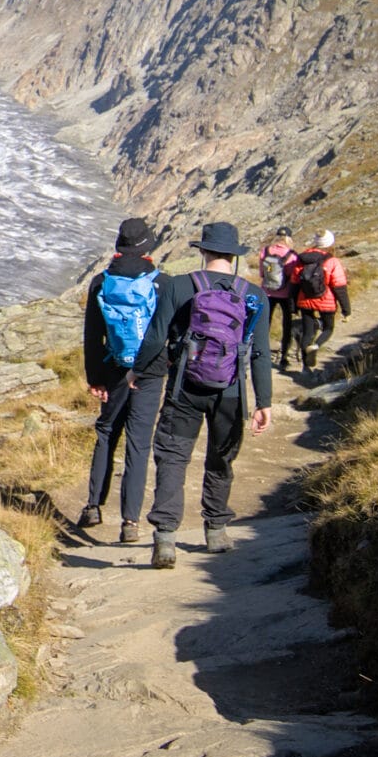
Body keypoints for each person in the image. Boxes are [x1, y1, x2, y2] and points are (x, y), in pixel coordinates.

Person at [143, 221, 275, 569]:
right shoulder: (254, 295)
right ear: (234, 256)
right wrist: (263, 402)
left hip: (184, 387)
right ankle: (216, 531)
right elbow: (260, 352)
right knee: (221, 458)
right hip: (230, 390)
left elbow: (156, 338)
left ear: (202, 250)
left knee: (173, 457)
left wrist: (136, 372)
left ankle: (165, 538)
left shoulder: (178, 286)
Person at [77, 217, 165, 544]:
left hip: (113, 367)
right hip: (149, 372)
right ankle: (130, 522)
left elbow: (92, 336)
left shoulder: (101, 282)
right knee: (138, 443)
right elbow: (165, 332)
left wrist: (95, 379)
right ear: (147, 245)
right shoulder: (160, 282)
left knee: (106, 432)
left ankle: (93, 506)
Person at [289, 230, 348, 374]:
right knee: (328, 328)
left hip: (305, 300)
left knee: (307, 332)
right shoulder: (332, 261)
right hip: (326, 300)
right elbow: (339, 286)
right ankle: (316, 346)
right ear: (330, 243)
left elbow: (294, 283)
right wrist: (346, 309)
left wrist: (293, 306)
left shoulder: (302, 259)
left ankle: (306, 367)